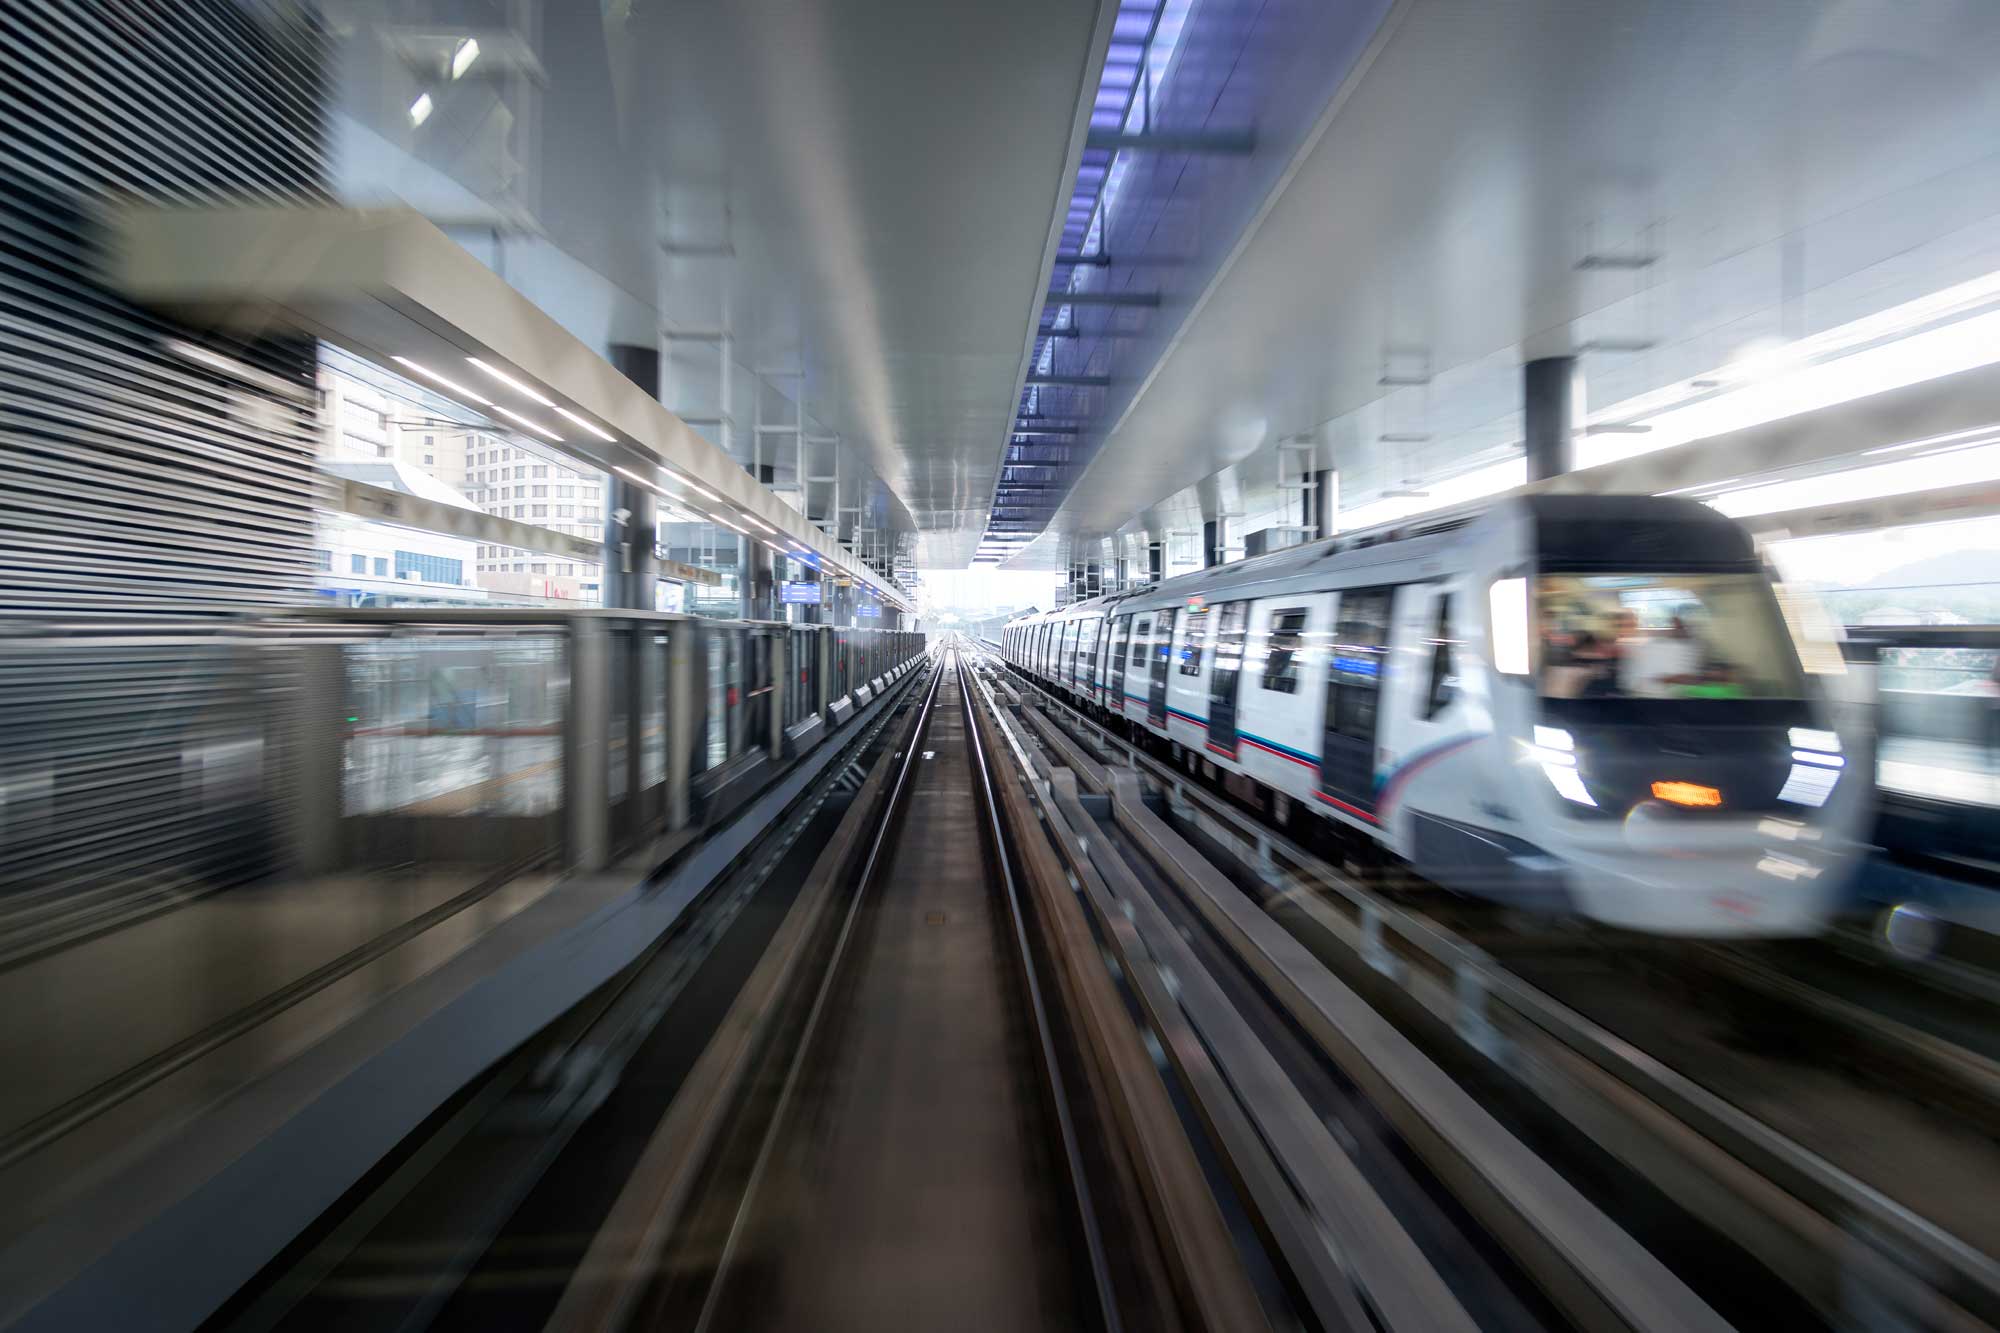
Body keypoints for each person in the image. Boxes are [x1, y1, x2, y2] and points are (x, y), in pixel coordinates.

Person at [1621, 615, 1703, 698]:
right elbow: (1636, 682)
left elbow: (1688, 678)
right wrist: (1666, 679)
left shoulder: (1689, 647)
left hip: (1665, 691)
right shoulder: (1651, 646)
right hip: (1646, 692)